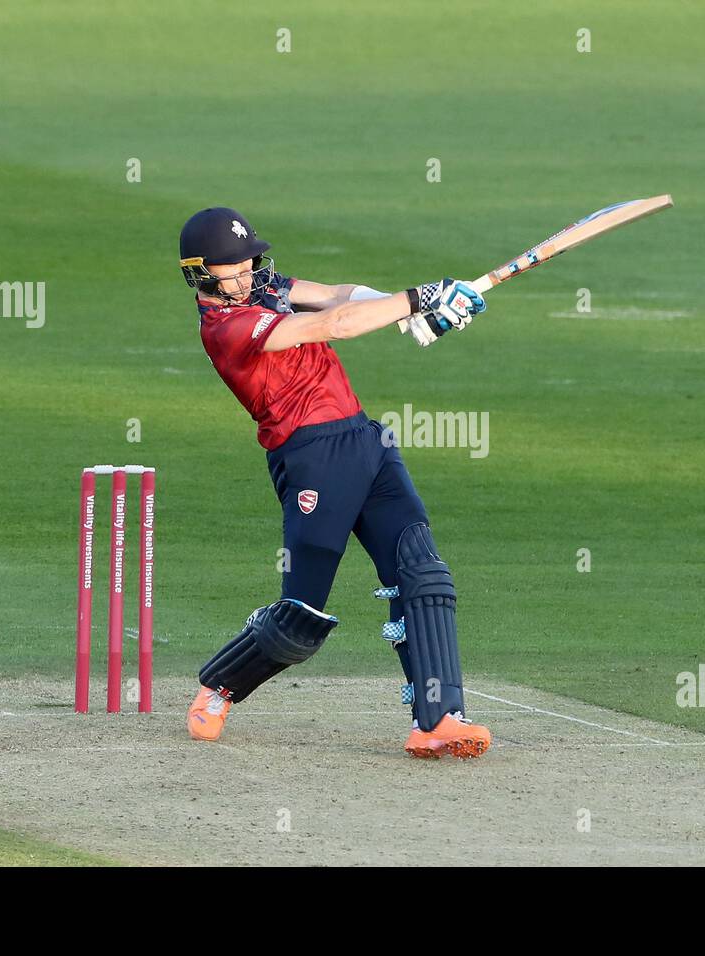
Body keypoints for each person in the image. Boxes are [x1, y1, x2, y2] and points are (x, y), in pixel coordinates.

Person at [180, 206, 492, 759]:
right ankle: (221, 685)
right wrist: (423, 294)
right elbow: (332, 325)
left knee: (421, 571)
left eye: (252, 258)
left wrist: (409, 311)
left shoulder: (262, 285)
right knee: (301, 617)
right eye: (235, 265)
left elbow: (338, 296)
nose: (250, 270)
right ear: (202, 273)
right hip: (311, 458)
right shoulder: (227, 328)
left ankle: (438, 719)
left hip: (364, 440)